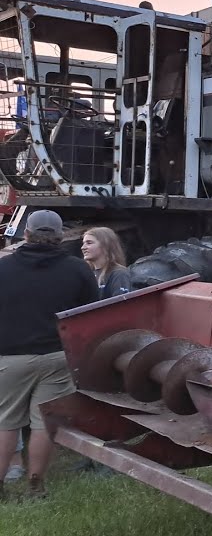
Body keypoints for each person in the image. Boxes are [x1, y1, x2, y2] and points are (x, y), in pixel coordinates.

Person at [0, 210, 99, 499]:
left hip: (10, 358)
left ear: (26, 234)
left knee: (6, 423)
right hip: (58, 357)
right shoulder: (78, 269)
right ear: (60, 237)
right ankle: (36, 485)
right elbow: (90, 315)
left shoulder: (3, 269)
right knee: (44, 423)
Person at [81, 227, 131, 299]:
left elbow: (120, 306)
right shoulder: (87, 275)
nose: (83, 247)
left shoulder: (119, 273)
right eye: (83, 243)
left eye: (89, 243)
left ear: (105, 245)